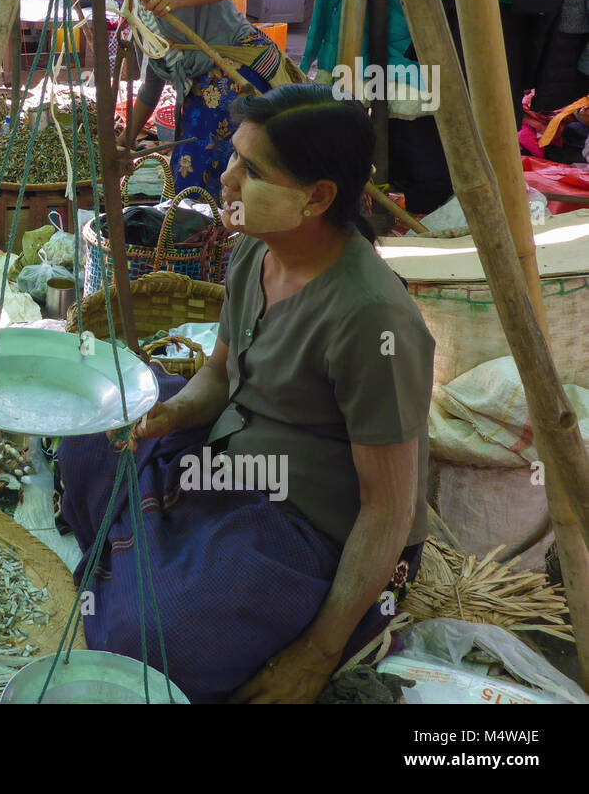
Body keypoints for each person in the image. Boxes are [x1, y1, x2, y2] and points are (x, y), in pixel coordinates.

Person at [60, 86, 433, 704]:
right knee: (86, 440)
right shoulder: (257, 248)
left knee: (149, 642)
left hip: (307, 517)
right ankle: (161, 559)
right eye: (235, 158)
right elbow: (219, 374)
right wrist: (169, 414)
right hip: (235, 448)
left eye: (251, 170)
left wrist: (317, 655)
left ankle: (164, 573)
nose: (225, 178)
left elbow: (389, 511)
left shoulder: (374, 320)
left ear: (317, 197)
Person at [119, 0, 304, 192]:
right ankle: (207, 227)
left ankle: (227, 227)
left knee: (244, 169)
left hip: (235, 72)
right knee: (194, 176)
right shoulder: (134, 2)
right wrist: (124, 142)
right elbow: (152, 82)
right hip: (202, 86)